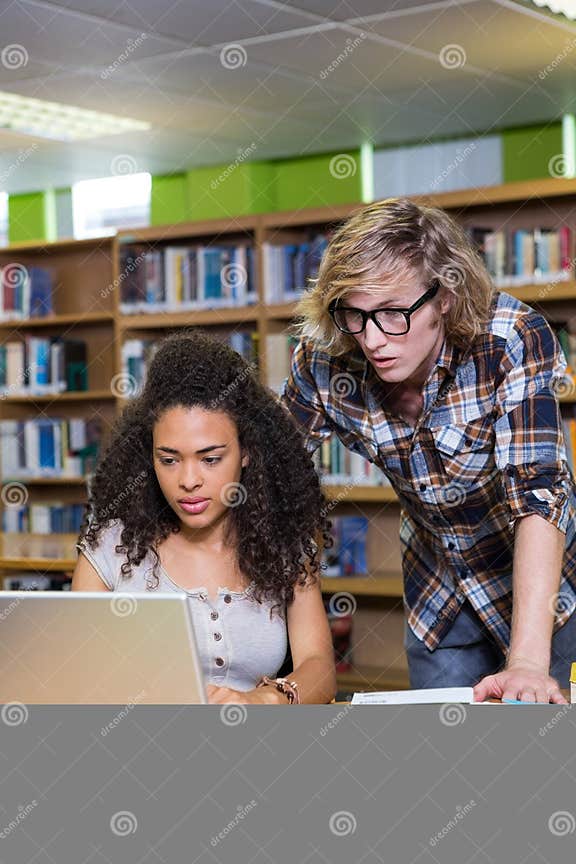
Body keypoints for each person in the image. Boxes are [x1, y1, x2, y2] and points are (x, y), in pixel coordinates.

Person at [282, 197, 576, 704]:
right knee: (445, 771)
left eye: (394, 313)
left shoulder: (509, 337)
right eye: (355, 313)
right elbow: (270, 475)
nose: (372, 339)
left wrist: (528, 661)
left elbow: (539, 495)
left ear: (444, 295)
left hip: (552, 597)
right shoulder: (324, 360)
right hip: (440, 600)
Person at [72, 330, 336, 705]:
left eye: (210, 459)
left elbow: (319, 666)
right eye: (169, 460)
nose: (189, 481)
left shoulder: (285, 544)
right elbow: (75, 673)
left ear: (246, 452)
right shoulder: (110, 550)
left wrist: (267, 701)